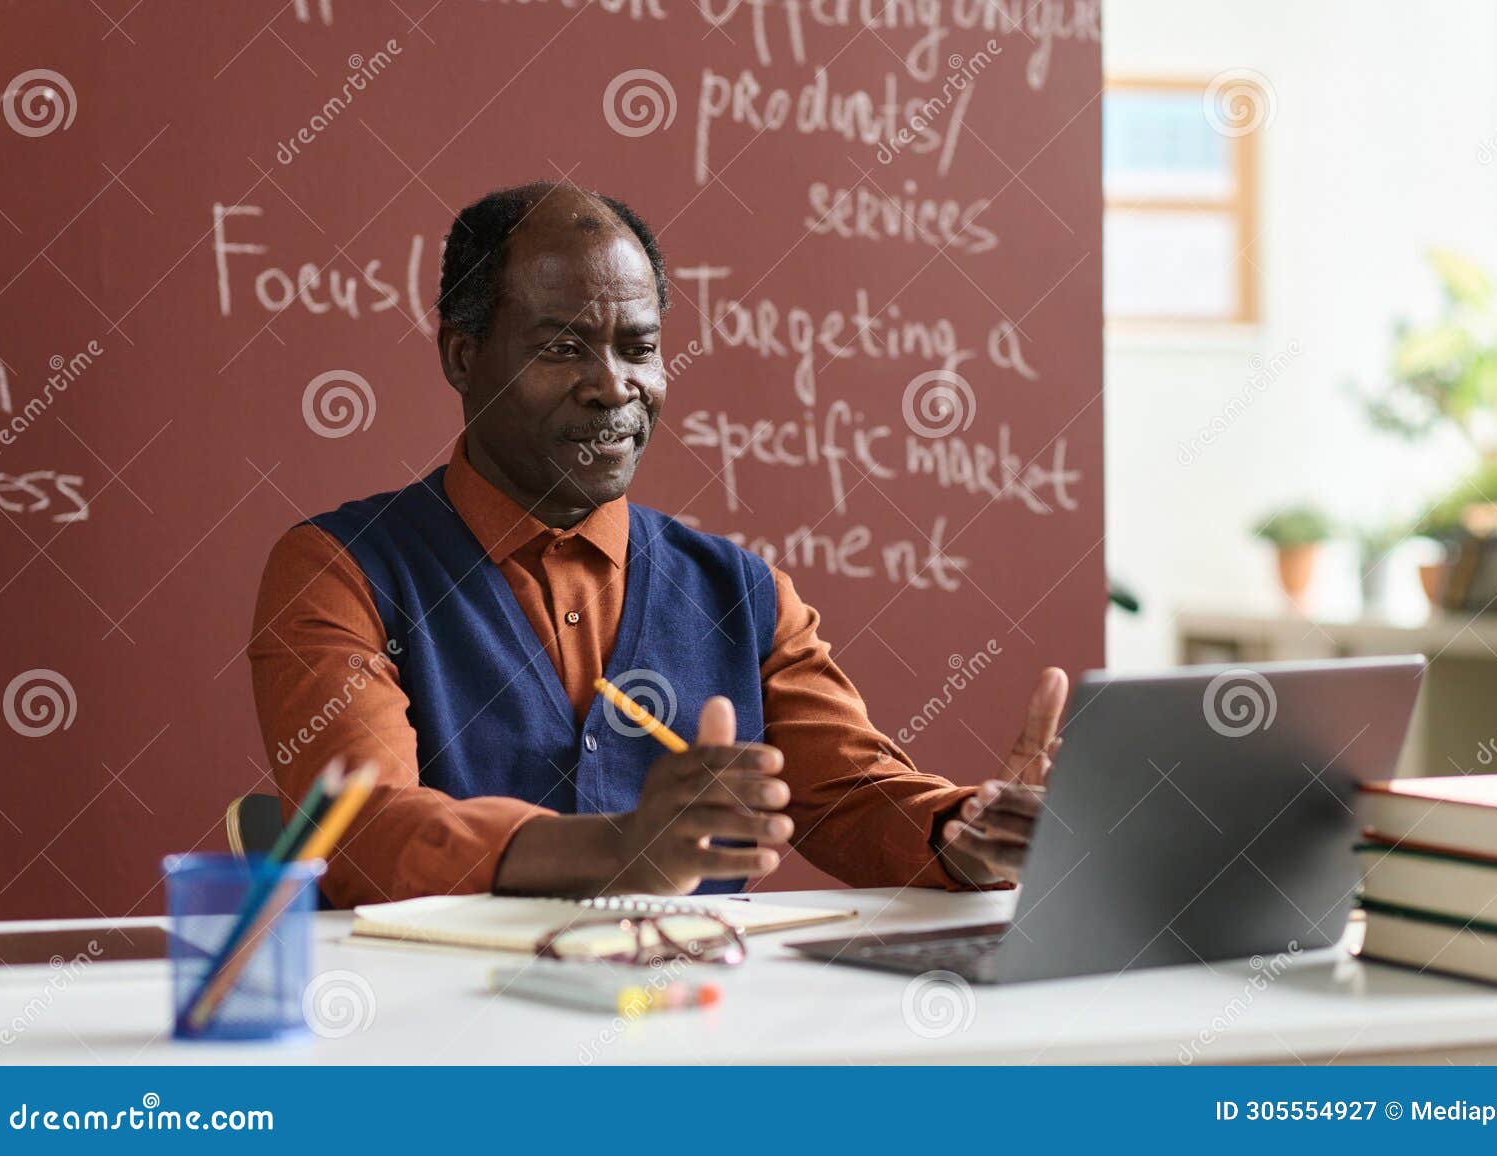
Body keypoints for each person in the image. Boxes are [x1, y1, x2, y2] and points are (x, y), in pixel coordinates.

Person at [248, 181, 1069, 907]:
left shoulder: (742, 595)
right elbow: (357, 829)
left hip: (690, 1033)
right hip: (436, 1047)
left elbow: (852, 795)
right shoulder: (338, 571)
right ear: (463, 358)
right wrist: (623, 847)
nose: (613, 385)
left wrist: (962, 834)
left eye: (639, 347)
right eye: (562, 347)